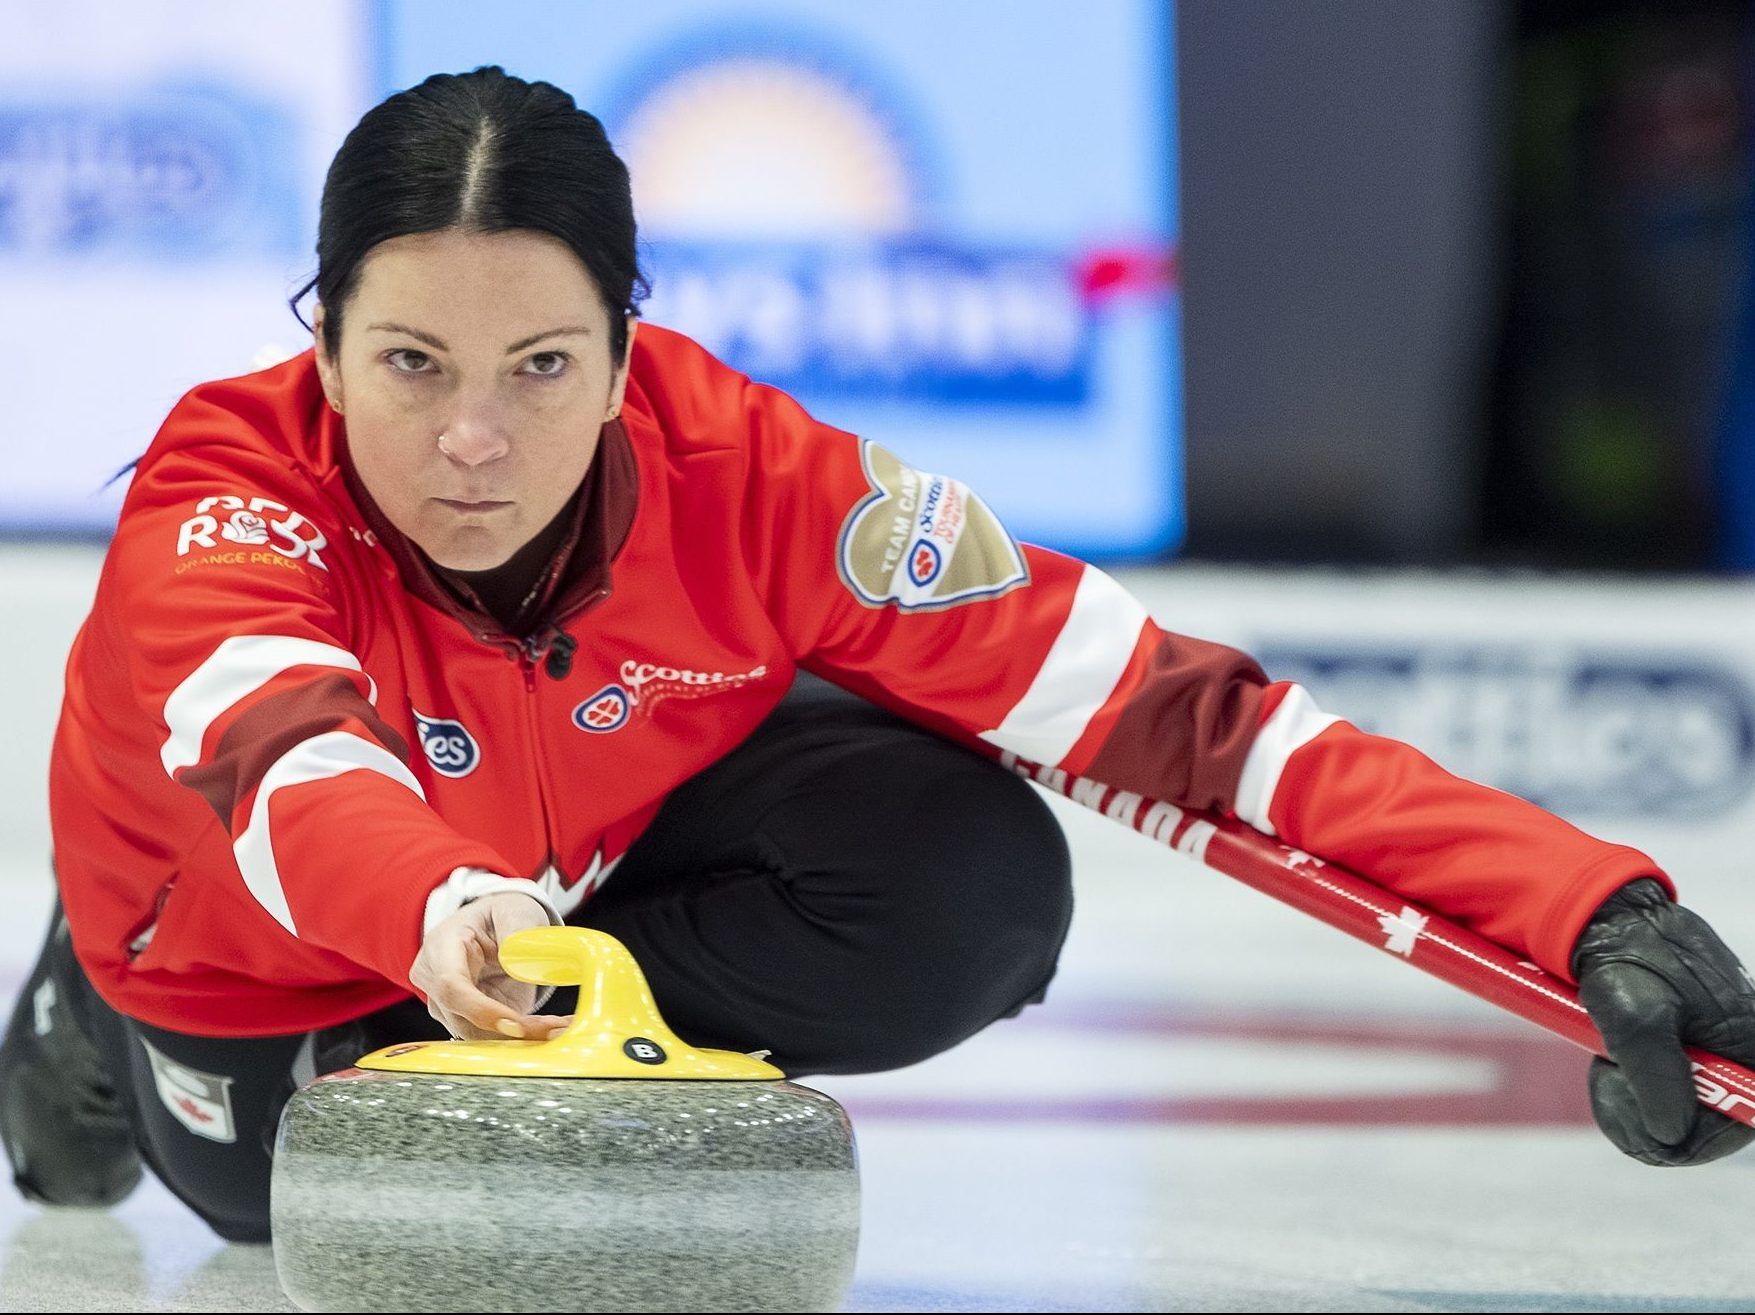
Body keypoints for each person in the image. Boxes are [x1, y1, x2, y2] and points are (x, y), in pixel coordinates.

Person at [4, 67, 1752, 1245]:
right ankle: (83, 1002)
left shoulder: (762, 482)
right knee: (304, 1214)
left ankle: (532, 1008)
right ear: (323, 340)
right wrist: (447, 921)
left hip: (561, 868)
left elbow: (1180, 720)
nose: (473, 439)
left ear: (630, 346)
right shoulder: (226, 488)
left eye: (540, 366)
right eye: (408, 366)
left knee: (971, 875)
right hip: (268, 950)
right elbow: (289, 759)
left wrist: (1583, 912)